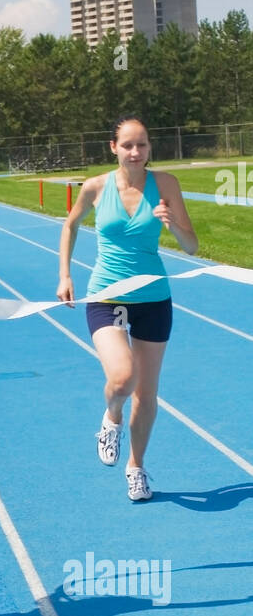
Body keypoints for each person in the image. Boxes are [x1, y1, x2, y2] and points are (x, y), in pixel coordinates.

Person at [57, 116, 198, 500]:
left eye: (143, 145)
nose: (136, 153)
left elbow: (192, 247)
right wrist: (65, 276)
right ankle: (112, 416)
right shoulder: (96, 187)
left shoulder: (166, 185)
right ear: (113, 147)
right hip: (108, 295)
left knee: (147, 394)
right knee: (122, 378)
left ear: (150, 148)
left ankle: (136, 467)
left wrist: (174, 226)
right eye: (128, 145)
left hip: (153, 298)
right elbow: (70, 226)